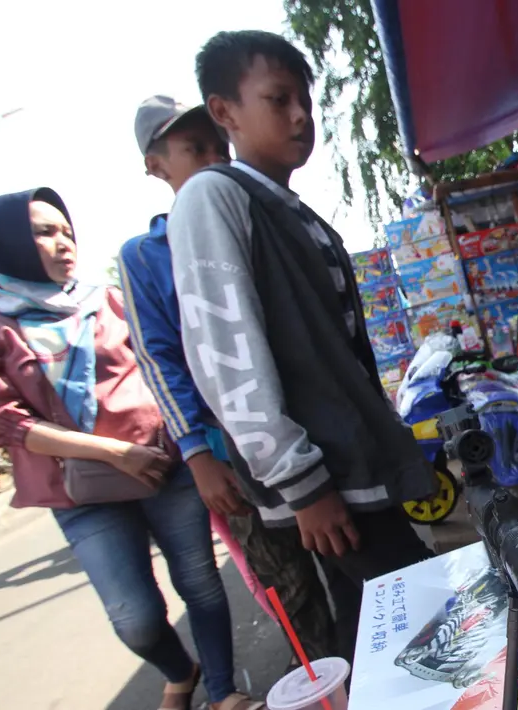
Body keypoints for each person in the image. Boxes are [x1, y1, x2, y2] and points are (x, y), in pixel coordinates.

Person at [167, 30, 435, 660]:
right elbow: (225, 354)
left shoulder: (288, 208)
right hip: (325, 482)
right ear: (225, 111)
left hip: (350, 471)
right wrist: (302, 482)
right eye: (279, 98)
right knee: (425, 624)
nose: (300, 117)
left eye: (306, 101)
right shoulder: (213, 196)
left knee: (372, 634)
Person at [0, 189, 259, 710]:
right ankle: (181, 670)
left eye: (66, 231)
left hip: (166, 467)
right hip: (80, 493)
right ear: (3, 243)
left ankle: (224, 693)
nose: (63, 243)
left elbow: (162, 364)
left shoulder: (104, 299)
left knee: (200, 584)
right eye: (43, 232)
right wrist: (115, 453)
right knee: (135, 618)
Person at [119, 95, 338, 665]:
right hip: (231, 452)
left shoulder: (258, 214)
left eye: (218, 144)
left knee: (347, 563)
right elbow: (159, 357)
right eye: (195, 149)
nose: (214, 157)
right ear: (155, 165)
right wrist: (196, 452)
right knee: (290, 586)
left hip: (306, 432)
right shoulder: (146, 255)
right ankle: (325, 684)